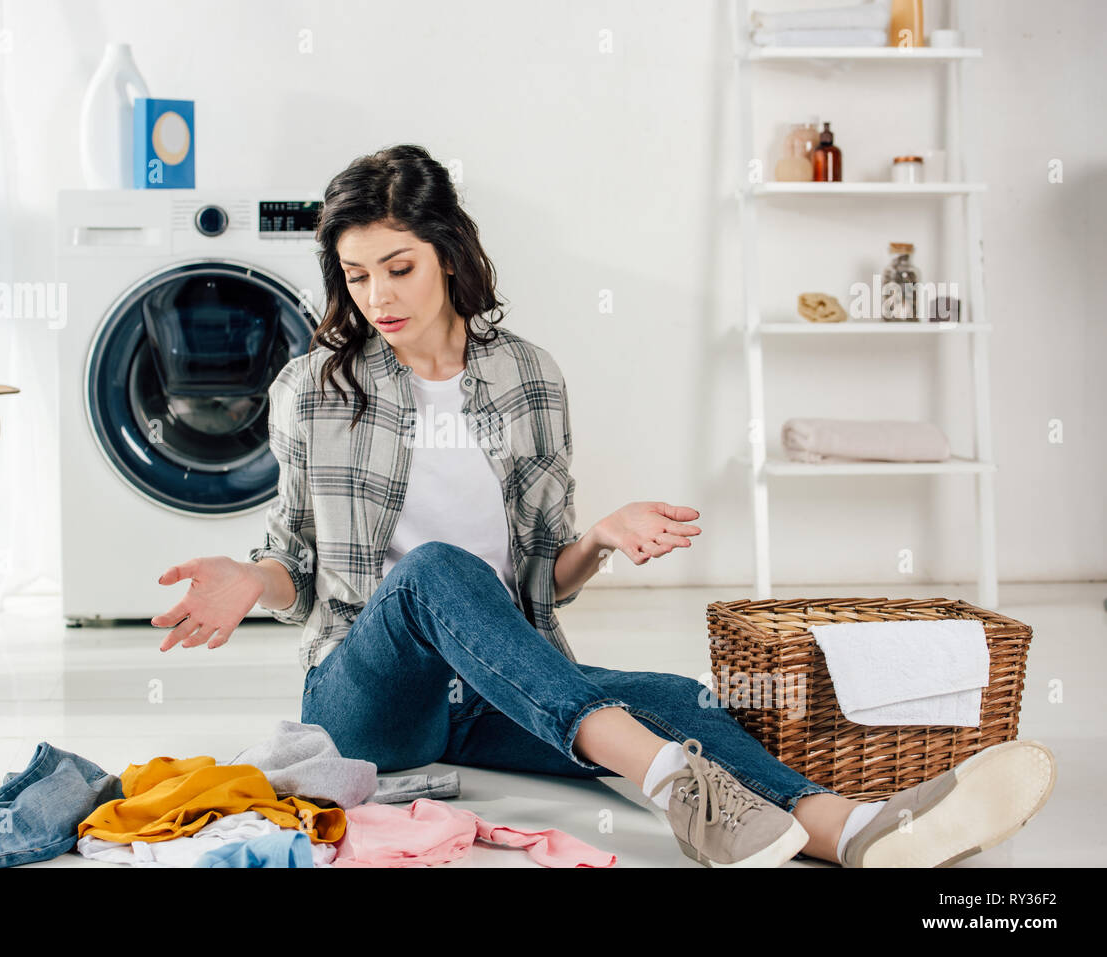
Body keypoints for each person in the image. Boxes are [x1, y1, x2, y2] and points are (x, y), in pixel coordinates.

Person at [151, 144, 1056, 867]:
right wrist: (250, 577)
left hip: (499, 687)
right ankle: (671, 781)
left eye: (399, 267)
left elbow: (547, 572)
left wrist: (600, 540)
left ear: (448, 256)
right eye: (355, 276)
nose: (378, 297)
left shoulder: (528, 378)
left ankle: (851, 831)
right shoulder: (312, 387)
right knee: (436, 572)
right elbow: (297, 564)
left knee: (679, 695)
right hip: (368, 699)